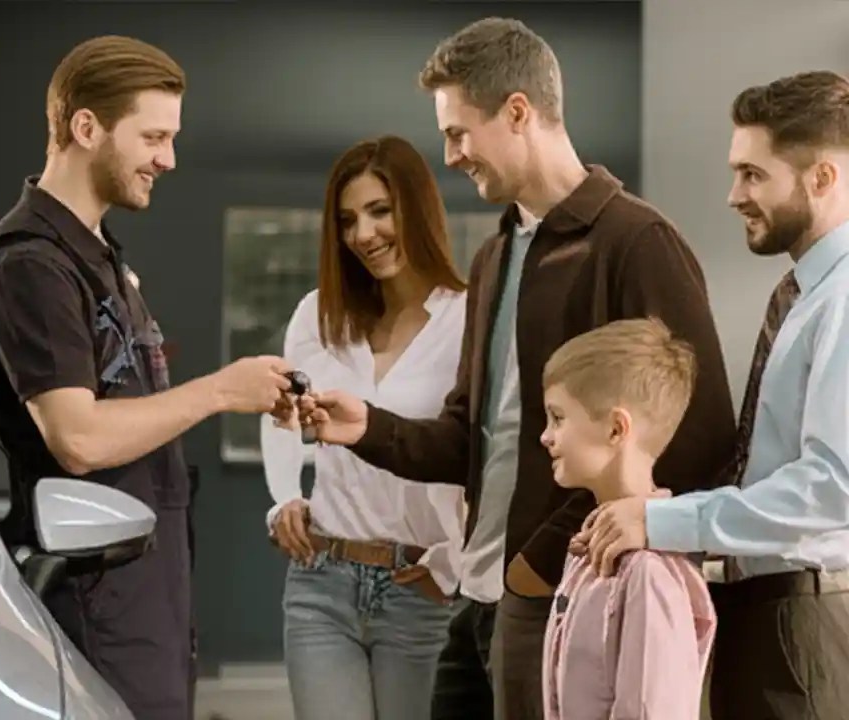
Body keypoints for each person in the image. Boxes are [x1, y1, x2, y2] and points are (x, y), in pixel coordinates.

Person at [281, 17, 736, 720]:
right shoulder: (496, 257)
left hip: (555, 596)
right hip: (480, 594)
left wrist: (541, 562)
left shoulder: (636, 242)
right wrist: (367, 426)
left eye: (459, 132)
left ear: (518, 111)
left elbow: (700, 439)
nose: (452, 154)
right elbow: (470, 438)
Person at [0, 35, 293, 720]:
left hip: (146, 585)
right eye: (152, 137)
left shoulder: (99, 258)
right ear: (86, 127)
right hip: (97, 597)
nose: (167, 159)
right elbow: (77, 438)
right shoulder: (30, 266)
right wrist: (222, 391)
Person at [573, 70, 849, 720]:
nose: (733, 195)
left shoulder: (841, 302)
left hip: (799, 620)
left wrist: (662, 521)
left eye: (753, 174)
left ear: (823, 178)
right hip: (768, 613)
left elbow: (836, 483)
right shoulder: (806, 297)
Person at [262, 135, 468, 720]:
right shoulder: (316, 315)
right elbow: (278, 411)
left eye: (380, 211)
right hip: (320, 583)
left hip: (420, 590)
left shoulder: (466, 319)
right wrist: (283, 500)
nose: (363, 234)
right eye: (348, 220)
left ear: (418, 208)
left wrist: (451, 564)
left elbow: (486, 450)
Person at [538, 318, 716, 720]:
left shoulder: (650, 573)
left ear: (617, 428)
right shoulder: (588, 553)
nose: (545, 436)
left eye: (558, 417)